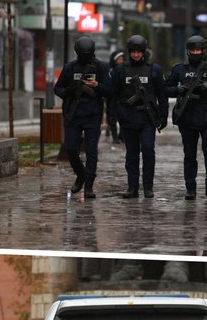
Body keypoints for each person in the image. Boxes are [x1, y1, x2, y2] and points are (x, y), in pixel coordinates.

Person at [165, 35, 207, 200]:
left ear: (203, 51)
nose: (195, 53)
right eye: (193, 50)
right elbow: (165, 88)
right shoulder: (179, 69)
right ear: (188, 51)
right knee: (189, 155)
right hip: (187, 118)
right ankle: (190, 188)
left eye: (198, 50)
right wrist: (178, 91)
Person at [110, 35, 167, 199]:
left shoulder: (154, 70)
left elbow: (162, 95)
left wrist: (163, 116)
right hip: (128, 118)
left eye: (139, 52)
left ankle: (148, 187)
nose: (136, 55)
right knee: (131, 154)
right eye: (133, 52)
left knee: (148, 150)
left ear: (144, 52)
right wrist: (112, 116)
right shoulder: (120, 70)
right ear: (129, 52)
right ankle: (132, 188)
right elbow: (113, 95)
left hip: (147, 118)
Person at [53, 36, 110, 199]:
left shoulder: (101, 67)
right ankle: (81, 175)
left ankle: (89, 186)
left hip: (92, 114)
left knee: (92, 151)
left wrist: (97, 86)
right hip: (73, 113)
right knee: (71, 148)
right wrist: (69, 91)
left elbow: (110, 90)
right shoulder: (70, 68)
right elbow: (58, 89)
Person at [106, 51, 124, 144]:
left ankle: (122, 136)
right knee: (112, 116)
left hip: (122, 98)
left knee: (123, 117)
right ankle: (114, 136)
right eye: (119, 59)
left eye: (122, 59)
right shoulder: (109, 70)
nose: (121, 61)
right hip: (111, 98)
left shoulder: (125, 69)